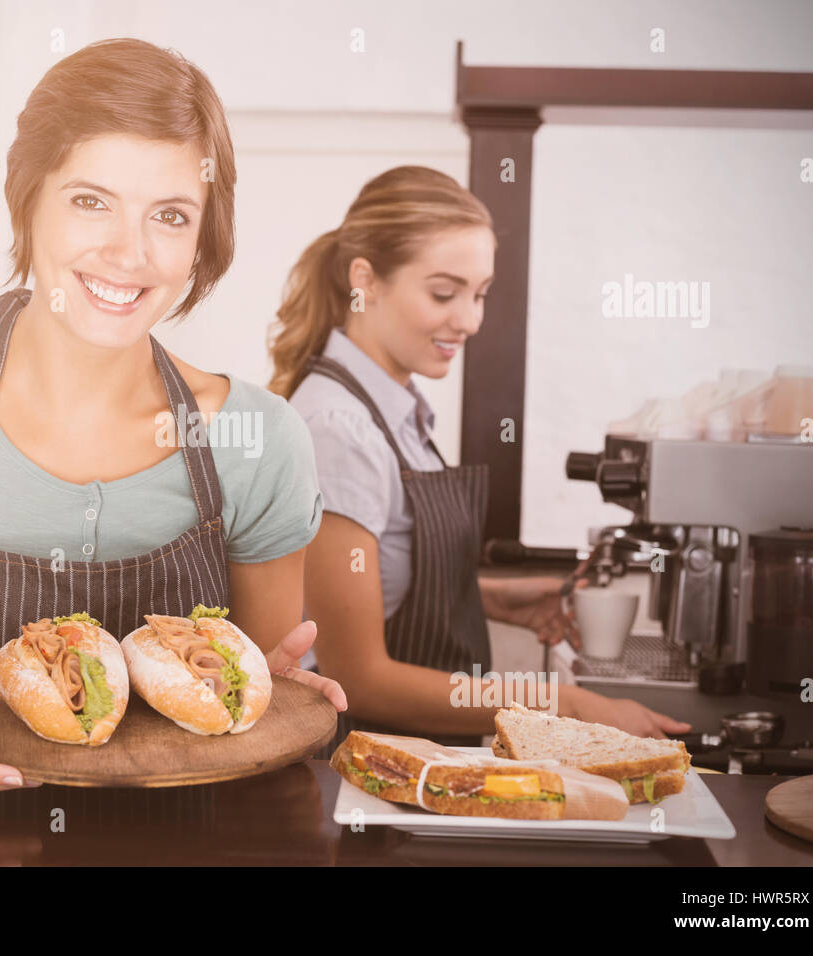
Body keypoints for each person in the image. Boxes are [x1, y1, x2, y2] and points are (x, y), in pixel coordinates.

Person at [0, 38, 346, 807]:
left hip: (191, 849)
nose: (128, 254)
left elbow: (255, 711)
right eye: (90, 200)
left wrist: (274, 692)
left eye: (169, 215)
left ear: (202, 240)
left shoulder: (260, 439)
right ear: (26, 198)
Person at [270, 166, 689, 750]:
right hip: (355, 759)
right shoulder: (341, 428)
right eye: (444, 293)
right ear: (365, 279)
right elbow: (357, 678)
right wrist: (559, 702)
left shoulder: (396, 410)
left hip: (407, 750)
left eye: (480, 294)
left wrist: (485, 597)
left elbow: (378, 580)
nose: (469, 320)